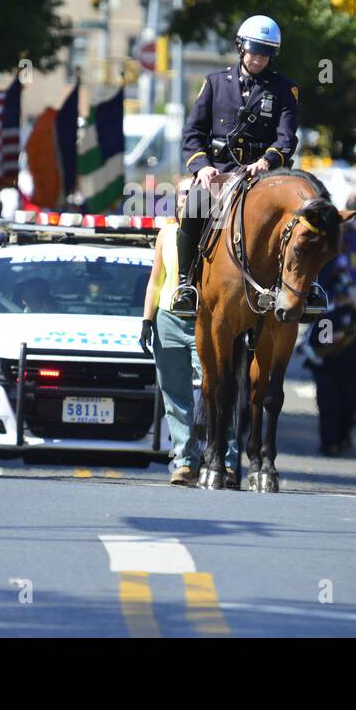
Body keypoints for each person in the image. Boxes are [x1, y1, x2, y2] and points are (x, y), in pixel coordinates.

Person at [171, 15, 302, 317]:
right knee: (194, 206)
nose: (258, 58)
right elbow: (193, 133)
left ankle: (305, 289)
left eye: (265, 53)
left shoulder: (285, 89)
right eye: (253, 50)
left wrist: (266, 161)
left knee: (304, 215)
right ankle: (185, 284)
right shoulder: (215, 83)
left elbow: (286, 137)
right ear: (240, 48)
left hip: (264, 174)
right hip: (220, 172)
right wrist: (201, 166)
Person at [140, 177, 239, 487]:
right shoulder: (167, 232)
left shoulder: (217, 233)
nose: (185, 198)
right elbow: (156, 279)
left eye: (190, 194)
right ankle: (185, 460)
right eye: (181, 193)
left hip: (205, 320)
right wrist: (147, 319)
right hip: (168, 317)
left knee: (216, 391)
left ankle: (226, 459)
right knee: (174, 392)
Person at [305, 282, 356, 457]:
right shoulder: (328, 317)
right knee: (328, 407)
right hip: (328, 369)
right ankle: (328, 442)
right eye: (339, 296)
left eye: (345, 297)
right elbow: (315, 342)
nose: (341, 300)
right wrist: (331, 339)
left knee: (349, 407)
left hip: (351, 370)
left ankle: (343, 438)